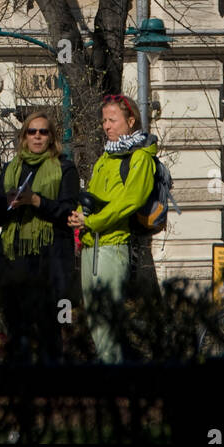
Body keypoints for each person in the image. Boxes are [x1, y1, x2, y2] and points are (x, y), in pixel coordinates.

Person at [67, 93, 157, 364]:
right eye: (104, 120)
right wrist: (79, 217)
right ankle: (113, 374)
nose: (106, 126)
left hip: (112, 246)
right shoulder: (107, 157)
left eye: (113, 120)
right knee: (96, 318)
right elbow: (92, 196)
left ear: (131, 121)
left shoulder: (140, 157)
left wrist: (91, 221)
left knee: (107, 318)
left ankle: (115, 380)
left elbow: (130, 201)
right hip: (92, 244)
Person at [0, 110, 79, 363]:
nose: (37, 137)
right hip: (14, 259)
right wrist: (9, 203)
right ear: (24, 136)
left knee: (49, 328)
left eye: (43, 132)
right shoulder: (11, 169)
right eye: (32, 131)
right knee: (17, 329)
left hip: (49, 260)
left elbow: (68, 212)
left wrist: (37, 200)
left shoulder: (65, 167)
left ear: (51, 137)